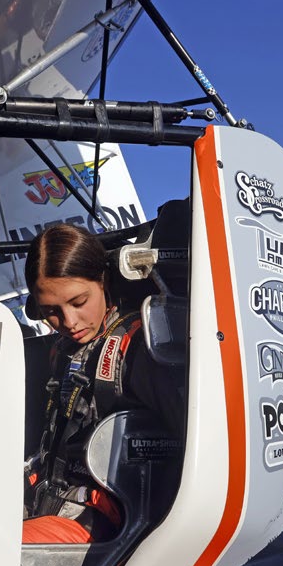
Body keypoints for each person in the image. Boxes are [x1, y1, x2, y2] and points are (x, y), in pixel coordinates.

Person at [21, 223, 185, 544]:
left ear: (103, 280)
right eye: (51, 311)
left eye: (79, 301)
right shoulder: (61, 350)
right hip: (49, 500)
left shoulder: (138, 349)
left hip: (107, 526)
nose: (69, 322)